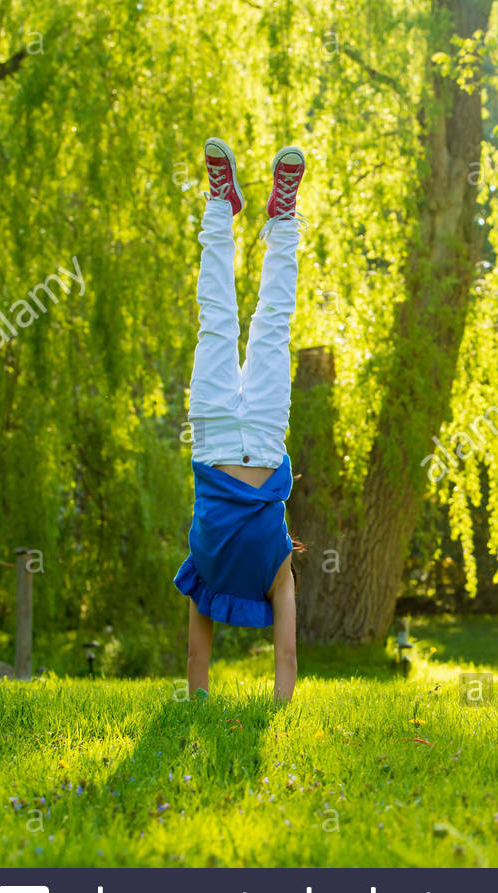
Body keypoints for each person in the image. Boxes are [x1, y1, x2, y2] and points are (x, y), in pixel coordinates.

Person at [173, 137, 306, 703]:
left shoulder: (210, 575)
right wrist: (279, 714)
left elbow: (198, 657)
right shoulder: (269, 571)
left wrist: (200, 709)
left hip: (221, 436)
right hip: (240, 437)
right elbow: (286, 654)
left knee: (228, 319)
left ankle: (220, 206)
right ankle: (282, 216)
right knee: (253, 320)